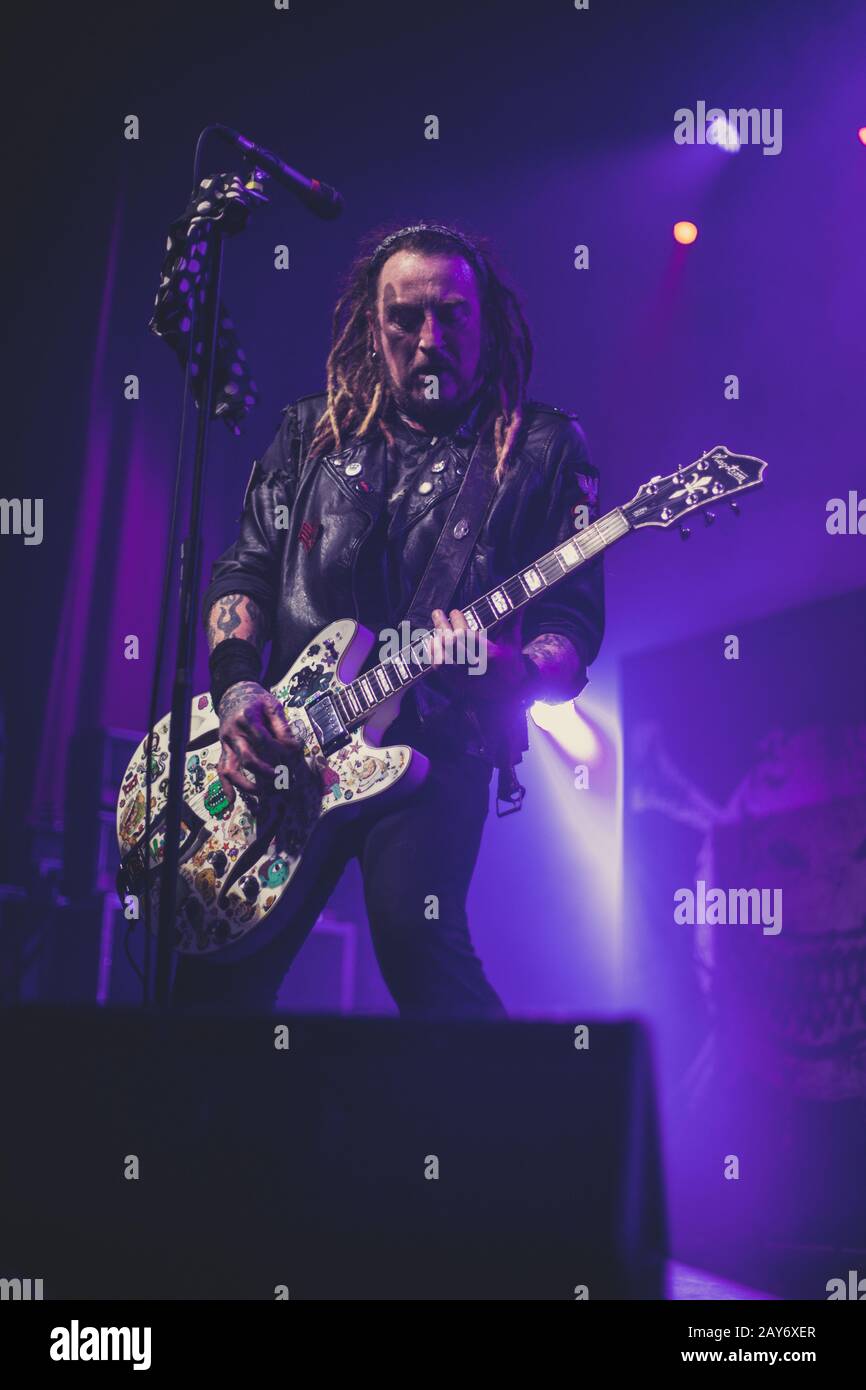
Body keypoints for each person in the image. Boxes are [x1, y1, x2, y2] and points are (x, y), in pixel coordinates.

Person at [170, 222, 604, 1018]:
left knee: (415, 937)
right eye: (405, 318)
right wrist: (235, 692)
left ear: (489, 319)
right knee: (213, 980)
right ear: (374, 326)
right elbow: (246, 570)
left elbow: (569, 627)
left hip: (436, 745)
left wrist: (510, 671)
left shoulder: (540, 449)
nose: (429, 339)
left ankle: (520, 1132)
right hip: (291, 747)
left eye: (452, 315)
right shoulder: (309, 436)